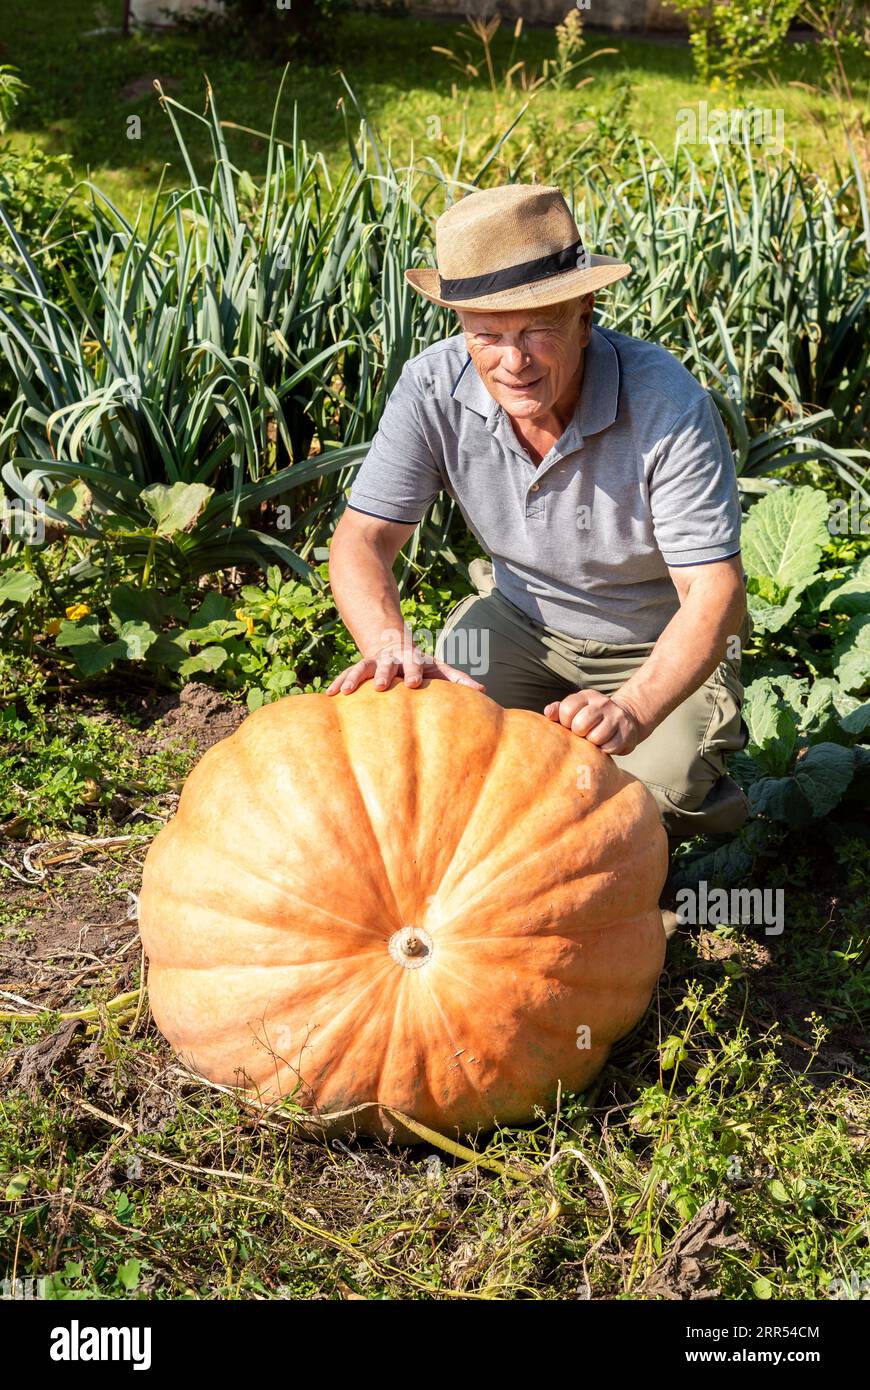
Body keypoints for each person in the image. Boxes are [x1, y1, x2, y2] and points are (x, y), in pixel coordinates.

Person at [326, 183, 750, 846]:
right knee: (429, 756)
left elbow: (714, 590)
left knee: (631, 802)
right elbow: (363, 540)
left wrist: (632, 709)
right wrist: (389, 648)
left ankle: (704, 818)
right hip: (521, 622)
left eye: (537, 331)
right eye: (487, 335)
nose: (513, 362)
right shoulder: (433, 386)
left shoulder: (667, 405)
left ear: (585, 315)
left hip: (653, 641)